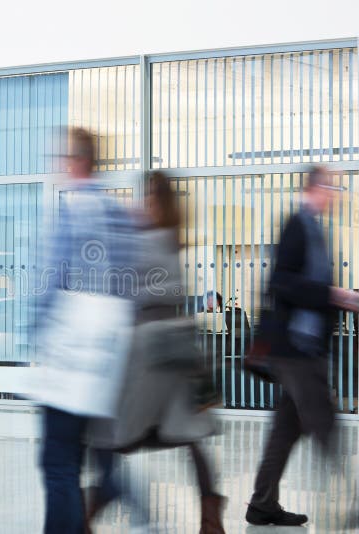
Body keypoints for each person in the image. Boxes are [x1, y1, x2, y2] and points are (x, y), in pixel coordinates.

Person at [88, 170, 225, 534]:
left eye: (148, 197)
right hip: (174, 347)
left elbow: (126, 288)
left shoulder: (151, 240)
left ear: (158, 201)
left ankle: (90, 509)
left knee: (119, 437)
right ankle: (211, 518)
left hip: (151, 349)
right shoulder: (170, 238)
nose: (141, 203)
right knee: (188, 435)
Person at [245, 167, 359, 526]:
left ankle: (261, 505)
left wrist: (338, 300)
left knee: (284, 432)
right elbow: (281, 282)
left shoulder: (315, 229)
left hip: (304, 346)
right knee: (324, 422)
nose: (336, 193)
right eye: (332, 186)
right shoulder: (298, 225)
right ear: (315, 187)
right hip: (294, 348)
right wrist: (330, 294)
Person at [36, 128, 133, 534]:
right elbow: (132, 285)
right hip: (107, 358)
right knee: (91, 451)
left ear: (74, 162)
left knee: (57, 462)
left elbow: (50, 283)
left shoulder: (72, 212)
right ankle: (111, 483)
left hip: (69, 357)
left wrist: (37, 337)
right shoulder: (118, 215)